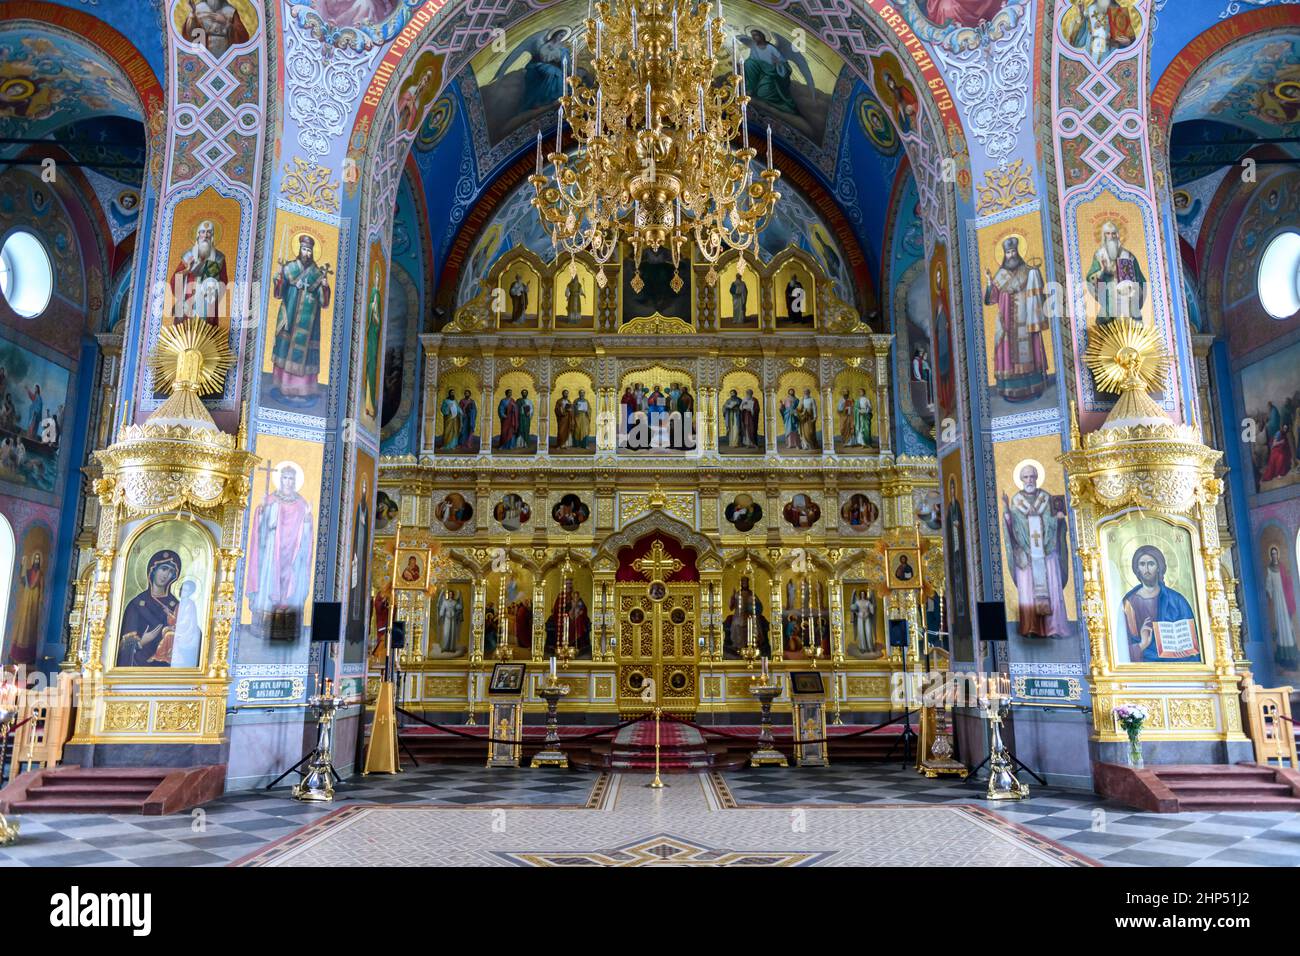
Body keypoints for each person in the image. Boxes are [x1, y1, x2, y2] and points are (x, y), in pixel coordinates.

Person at [1002, 464, 1071, 638]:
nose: (1029, 480)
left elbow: (1054, 521)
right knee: (1028, 591)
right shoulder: (1016, 500)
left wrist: (1059, 520)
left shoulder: (1046, 498)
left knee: (1052, 588)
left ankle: (1054, 628)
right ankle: (1031, 627)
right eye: (1026, 477)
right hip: (1026, 553)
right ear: (1021, 479)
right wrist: (1006, 512)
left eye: (1032, 476)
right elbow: (1013, 526)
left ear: (1037, 478)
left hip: (1047, 550)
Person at [247, 464, 314, 620]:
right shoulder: (271, 499)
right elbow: (261, 525)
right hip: (273, 547)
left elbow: (307, 530)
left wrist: (307, 518)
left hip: (293, 549)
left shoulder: (301, 503)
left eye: (291, 478)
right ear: (281, 480)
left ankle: (287, 607)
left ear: (295, 481)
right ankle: (265, 613)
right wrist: (263, 509)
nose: (288, 481)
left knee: (290, 576)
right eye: (285, 478)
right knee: (271, 574)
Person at [985, 236, 1047, 402]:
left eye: (1013, 251)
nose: (1011, 255)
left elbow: (1036, 289)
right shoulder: (1000, 274)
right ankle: (1010, 390)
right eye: (1008, 252)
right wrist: (989, 282)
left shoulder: (1027, 270)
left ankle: (1033, 387)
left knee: (1029, 348)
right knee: (1005, 349)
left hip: (1026, 318)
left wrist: (1035, 273)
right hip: (1006, 321)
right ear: (1004, 254)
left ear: (1017, 252)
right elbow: (991, 299)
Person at [271, 235, 331, 401]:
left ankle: (303, 389)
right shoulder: (289, 268)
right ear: (299, 250)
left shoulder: (317, 274)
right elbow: (278, 293)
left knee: (306, 352)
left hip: (309, 324)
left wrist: (325, 287)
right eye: (304, 249)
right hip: (289, 318)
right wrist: (278, 277)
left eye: (309, 250)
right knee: (286, 346)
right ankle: (283, 385)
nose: (306, 253)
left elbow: (324, 303)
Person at [1121, 545, 1200, 663]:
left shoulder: (1176, 600)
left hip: (1176, 665)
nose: (1146, 569)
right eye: (1142, 564)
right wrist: (1142, 644)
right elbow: (1121, 648)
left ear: (1159, 567)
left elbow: (1191, 645)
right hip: (1142, 668)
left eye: (1151, 564)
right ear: (1137, 569)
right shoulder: (1129, 603)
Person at [117, 550, 183, 667]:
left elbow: (186, 635)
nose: (166, 575)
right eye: (164, 569)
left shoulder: (175, 605)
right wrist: (142, 641)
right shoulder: (137, 604)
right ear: (153, 570)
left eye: (171, 572)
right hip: (138, 667)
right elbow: (123, 647)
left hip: (167, 667)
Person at [1084, 221, 1146, 324]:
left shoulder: (1128, 255)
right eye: (1108, 233)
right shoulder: (1099, 255)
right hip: (1109, 293)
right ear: (1104, 236)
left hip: (1127, 293)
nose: (1111, 236)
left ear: (1117, 235)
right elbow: (1091, 277)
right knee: (1104, 321)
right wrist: (1103, 271)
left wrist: (1134, 286)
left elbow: (1139, 278)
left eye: (1113, 233)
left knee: (1131, 318)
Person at [169, 219, 228, 323]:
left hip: (207, 302)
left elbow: (223, 282)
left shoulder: (219, 258)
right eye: (203, 232)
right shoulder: (188, 255)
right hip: (188, 299)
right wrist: (187, 270)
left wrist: (213, 286)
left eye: (208, 232)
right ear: (198, 235)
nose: (205, 236)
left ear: (212, 236)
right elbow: (175, 280)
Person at [1265, 546, 1299, 669]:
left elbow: (1288, 582)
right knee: (1280, 625)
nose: (1274, 556)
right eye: (1272, 554)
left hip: (1285, 599)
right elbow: (1268, 584)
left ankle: (1292, 653)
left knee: (1288, 625)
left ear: (1277, 555)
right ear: (1271, 556)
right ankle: (1283, 654)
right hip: (1277, 600)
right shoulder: (1269, 569)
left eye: (1275, 553)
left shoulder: (1282, 567)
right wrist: (1269, 594)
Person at [8, 550, 43, 666]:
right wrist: (22, 565)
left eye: (38, 559)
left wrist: (40, 599)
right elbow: (22, 579)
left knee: (30, 625)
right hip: (26, 599)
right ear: (32, 560)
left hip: (34, 602)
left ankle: (28, 655)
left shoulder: (40, 574)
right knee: (23, 623)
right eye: (35, 559)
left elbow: (42, 588)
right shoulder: (28, 572)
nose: (36, 561)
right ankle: (17, 652)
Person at [182, 0, 251, 57]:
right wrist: (192, 15)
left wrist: (226, 23)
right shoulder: (198, 9)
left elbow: (243, 36)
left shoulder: (230, 10)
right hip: (206, 52)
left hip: (226, 53)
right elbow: (189, 34)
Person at [850, 589, 877, 655]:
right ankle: (862, 648)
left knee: (868, 632)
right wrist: (857, 613)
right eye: (861, 594)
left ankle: (870, 647)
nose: (862, 595)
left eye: (863, 594)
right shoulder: (857, 602)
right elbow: (853, 609)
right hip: (860, 617)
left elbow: (872, 609)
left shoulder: (867, 602)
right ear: (860, 595)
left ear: (865, 594)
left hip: (867, 617)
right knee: (861, 632)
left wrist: (872, 607)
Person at [437, 589, 463, 654]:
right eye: (449, 594)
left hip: (453, 618)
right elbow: (442, 609)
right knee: (446, 632)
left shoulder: (455, 602)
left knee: (452, 632)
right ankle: (445, 647)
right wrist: (440, 616)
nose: (450, 595)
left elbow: (460, 608)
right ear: (448, 595)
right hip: (447, 618)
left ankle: (451, 648)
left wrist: (458, 611)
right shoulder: (445, 602)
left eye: (451, 594)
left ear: (453, 595)